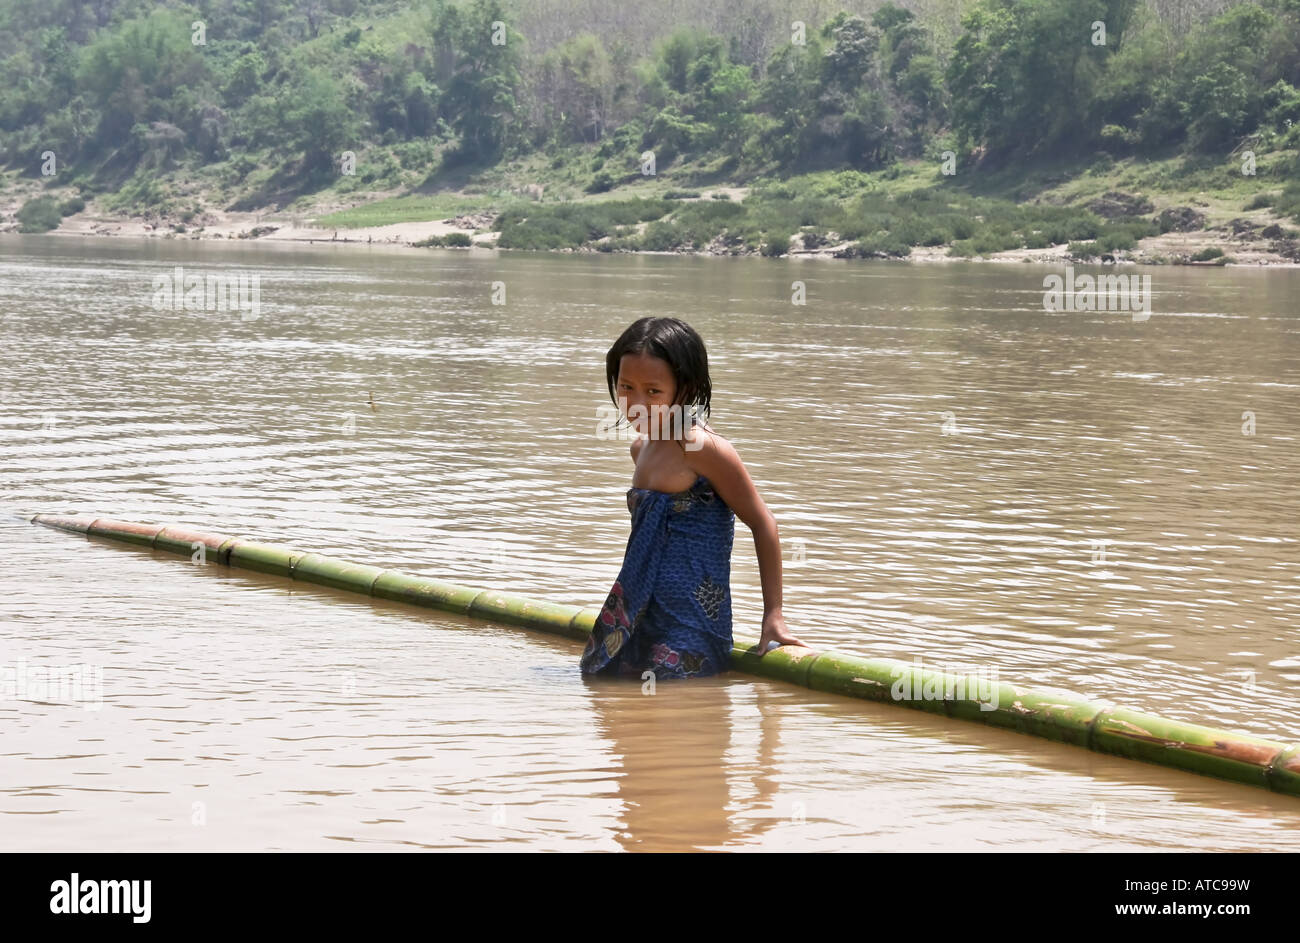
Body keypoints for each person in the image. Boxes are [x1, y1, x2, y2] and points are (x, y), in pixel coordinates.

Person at [580, 317, 806, 680]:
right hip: (638, 610)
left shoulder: (704, 448)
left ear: (686, 387)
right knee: (616, 715)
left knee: (672, 703)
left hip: (690, 622)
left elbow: (763, 522)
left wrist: (773, 616)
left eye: (652, 391)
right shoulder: (642, 448)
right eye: (626, 387)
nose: (636, 404)